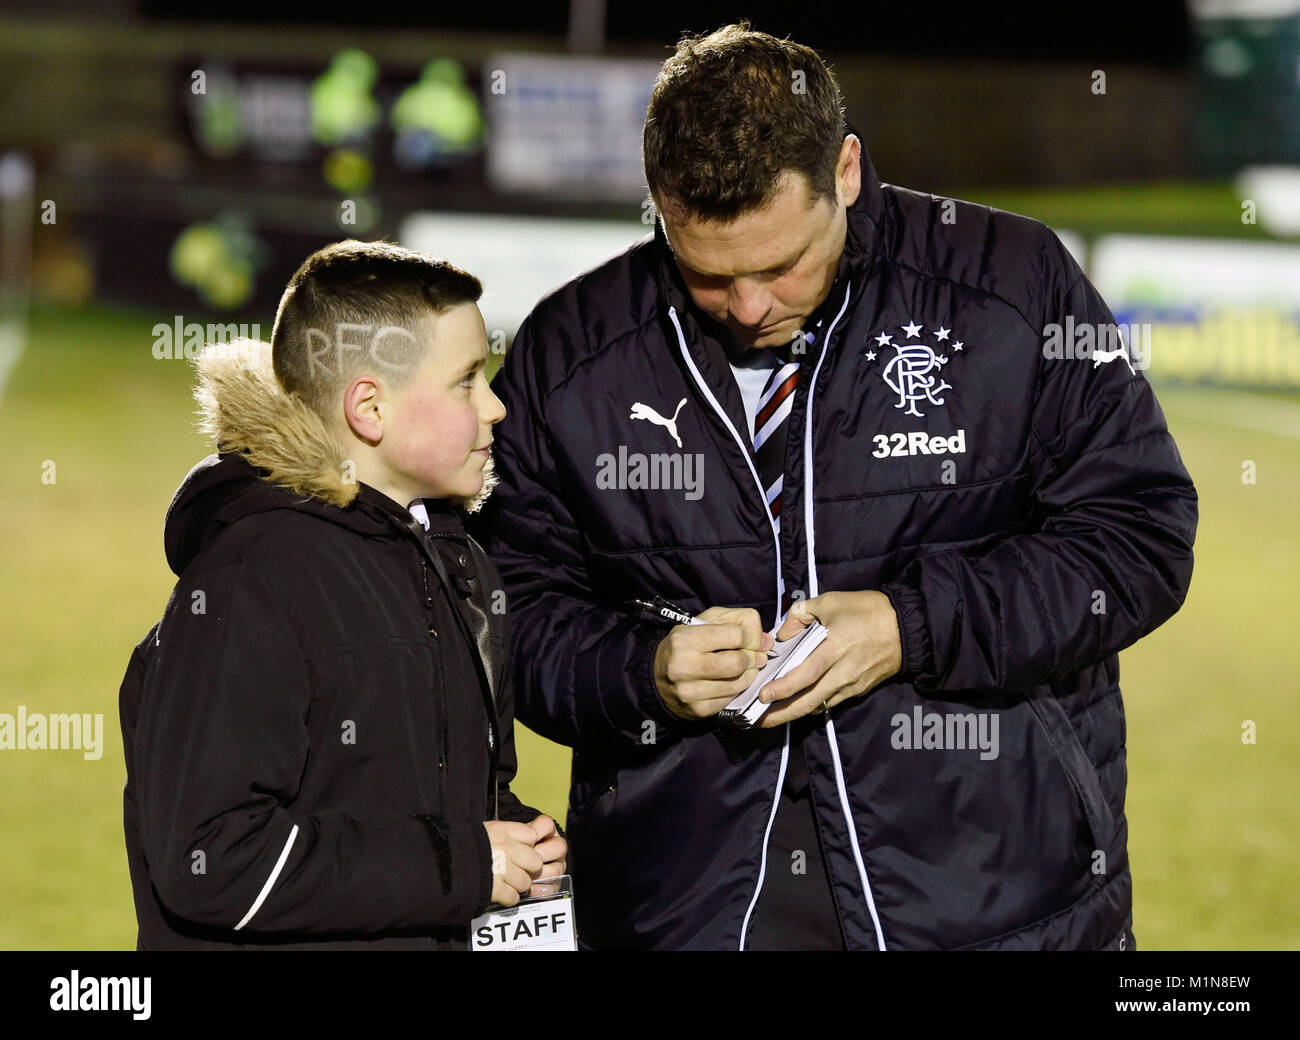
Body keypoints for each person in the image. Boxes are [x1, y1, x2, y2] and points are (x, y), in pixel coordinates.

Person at [472, 24, 1197, 950]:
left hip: (993, 899)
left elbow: (1140, 537)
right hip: (680, 908)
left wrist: (911, 628)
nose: (748, 307)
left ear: (846, 172)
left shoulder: (1014, 289)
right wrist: (643, 670)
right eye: (707, 272)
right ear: (656, 205)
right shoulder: (571, 352)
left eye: (781, 266)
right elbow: (505, 610)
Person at [118, 240, 565, 950]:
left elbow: (433, 800)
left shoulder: (464, 565)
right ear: (370, 409)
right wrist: (469, 863)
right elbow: (211, 860)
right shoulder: (252, 579)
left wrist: (518, 844)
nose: (497, 407)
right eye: (467, 381)